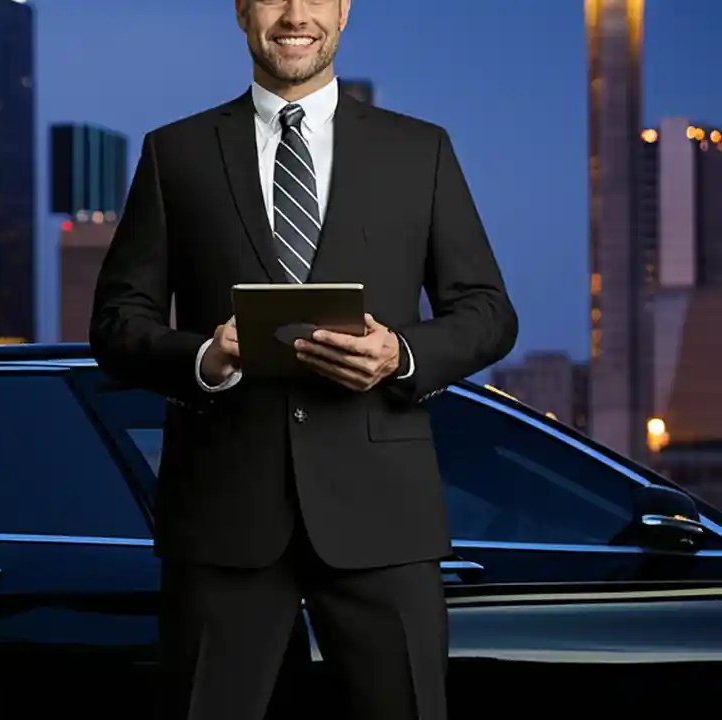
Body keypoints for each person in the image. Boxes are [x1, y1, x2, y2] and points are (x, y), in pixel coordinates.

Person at [88, 0, 518, 718]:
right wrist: (206, 358)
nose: (295, 15)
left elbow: (487, 311)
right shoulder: (177, 153)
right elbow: (115, 323)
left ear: (344, 11)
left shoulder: (420, 151)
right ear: (241, 12)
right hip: (225, 513)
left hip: (383, 512)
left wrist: (401, 355)